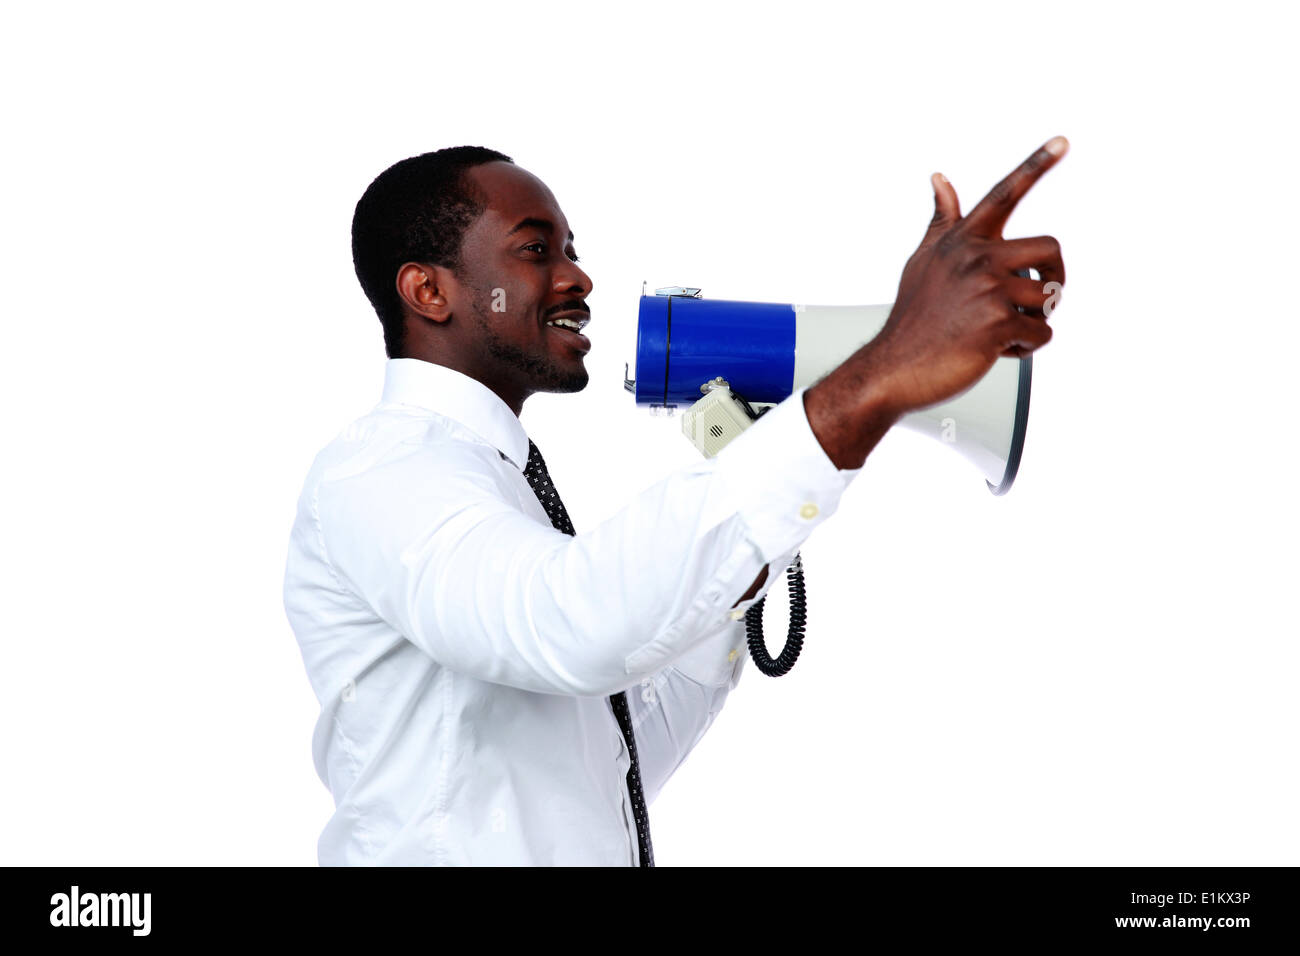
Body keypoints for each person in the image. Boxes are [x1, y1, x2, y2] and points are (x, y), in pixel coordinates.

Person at [282, 139, 1068, 866]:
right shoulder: (386, 468)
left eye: (574, 251)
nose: (579, 277)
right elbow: (569, 621)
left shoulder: (492, 483)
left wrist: (751, 549)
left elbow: (611, 770)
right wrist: (868, 385)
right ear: (428, 289)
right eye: (535, 249)